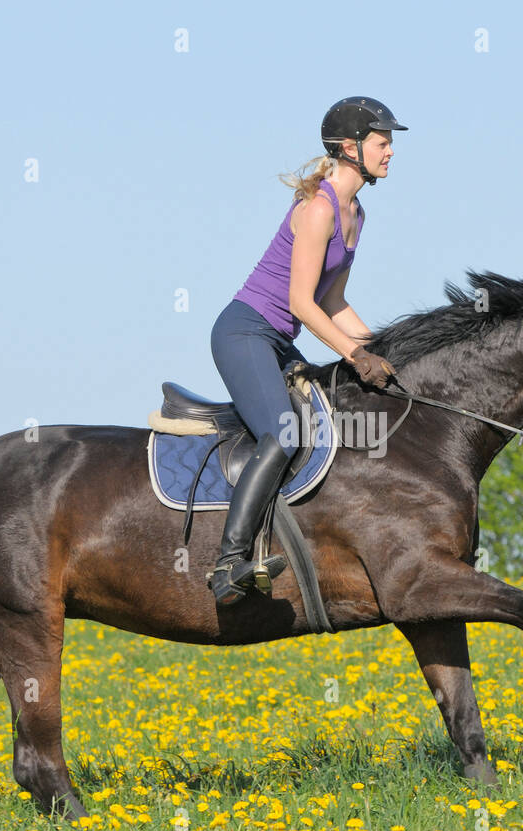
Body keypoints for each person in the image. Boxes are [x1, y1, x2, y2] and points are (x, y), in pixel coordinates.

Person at [207, 96, 404, 606]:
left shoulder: (356, 213)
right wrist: (354, 356)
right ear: (350, 147)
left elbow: (332, 299)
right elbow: (300, 301)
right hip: (246, 332)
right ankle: (228, 564)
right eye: (383, 143)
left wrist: (382, 353)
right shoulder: (318, 208)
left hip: (280, 340)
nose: (390, 153)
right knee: (281, 434)